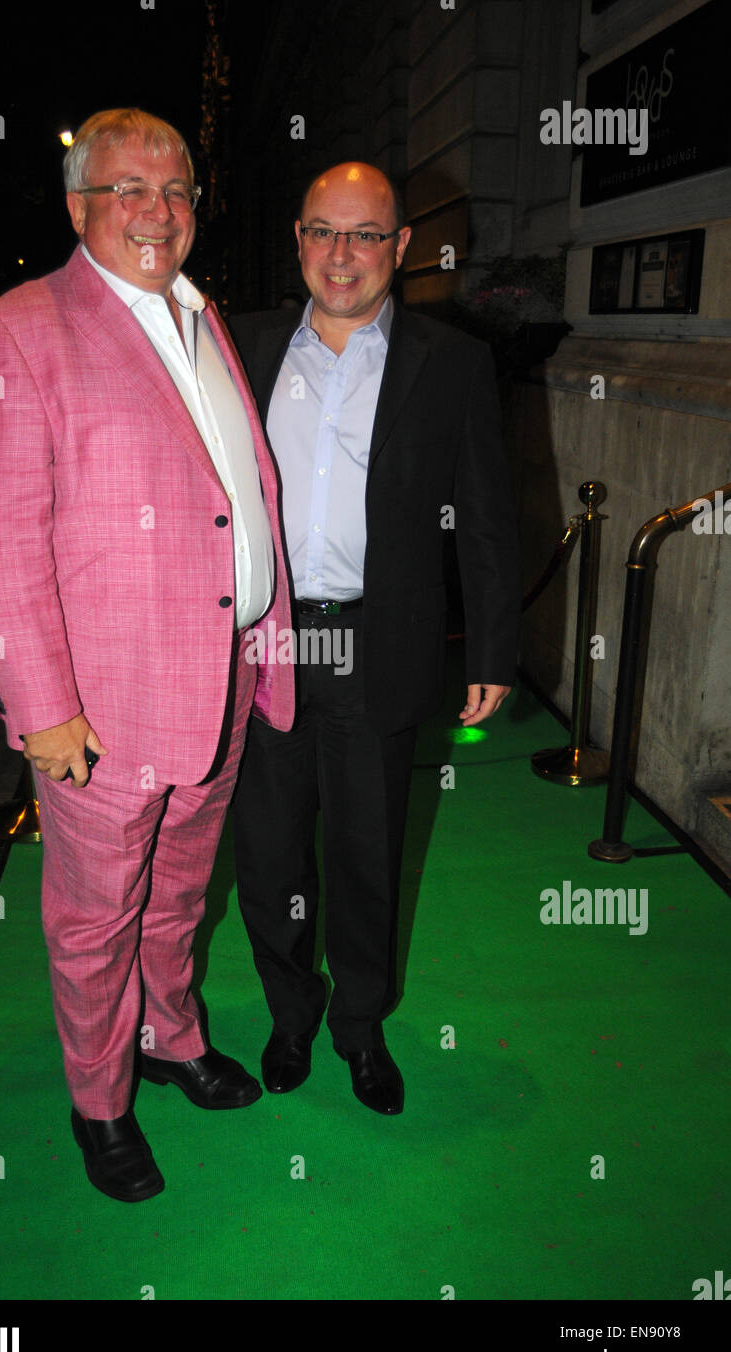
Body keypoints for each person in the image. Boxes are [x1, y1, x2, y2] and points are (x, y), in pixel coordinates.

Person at [0, 109, 294, 1202]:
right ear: (77, 207)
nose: (157, 208)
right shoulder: (18, 330)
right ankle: (99, 1101)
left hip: (220, 679)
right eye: (127, 189)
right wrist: (41, 707)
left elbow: (229, 492)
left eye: (177, 187)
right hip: (98, 706)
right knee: (94, 919)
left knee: (181, 892)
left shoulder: (200, 317)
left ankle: (171, 1036)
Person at [230, 162, 521, 1115]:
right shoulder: (241, 348)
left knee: (364, 850)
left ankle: (359, 1027)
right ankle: (289, 1014)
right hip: (270, 645)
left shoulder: (452, 361)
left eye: (364, 234)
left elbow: (483, 518)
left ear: (400, 247)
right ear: (299, 243)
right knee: (269, 854)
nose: (341, 255)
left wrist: (488, 650)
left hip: (375, 641)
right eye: (322, 231)